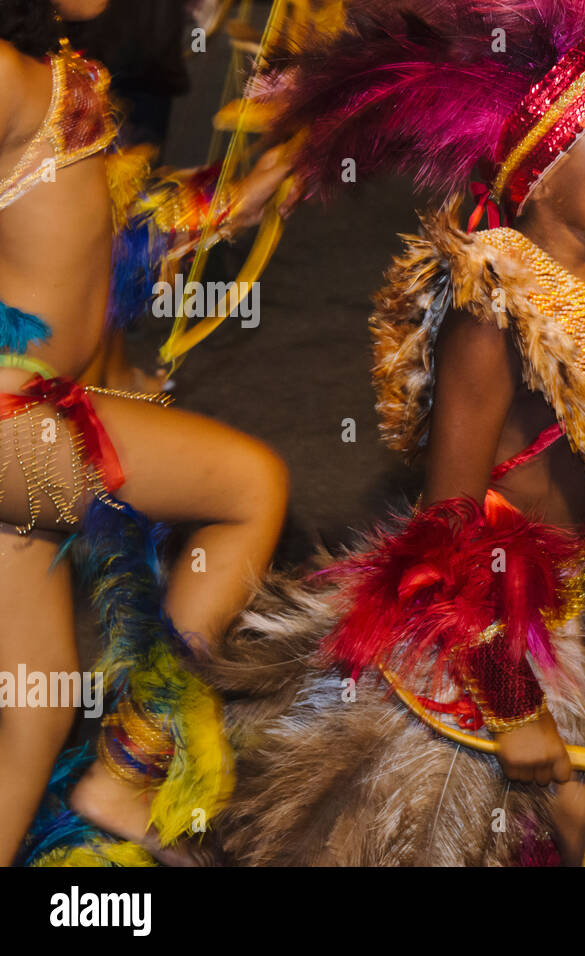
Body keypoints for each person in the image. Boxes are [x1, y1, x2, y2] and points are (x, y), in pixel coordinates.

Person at [203, 0, 585, 866]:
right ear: (542, 172)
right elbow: (447, 534)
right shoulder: (494, 315)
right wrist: (516, 707)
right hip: (488, 639)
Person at [0, 0, 291, 865]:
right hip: (15, 420)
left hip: (29, 421)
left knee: (38, 704)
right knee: (250, 487)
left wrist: (235, 199)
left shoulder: (46, 67)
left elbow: (92, 228)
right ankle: (129, 768)